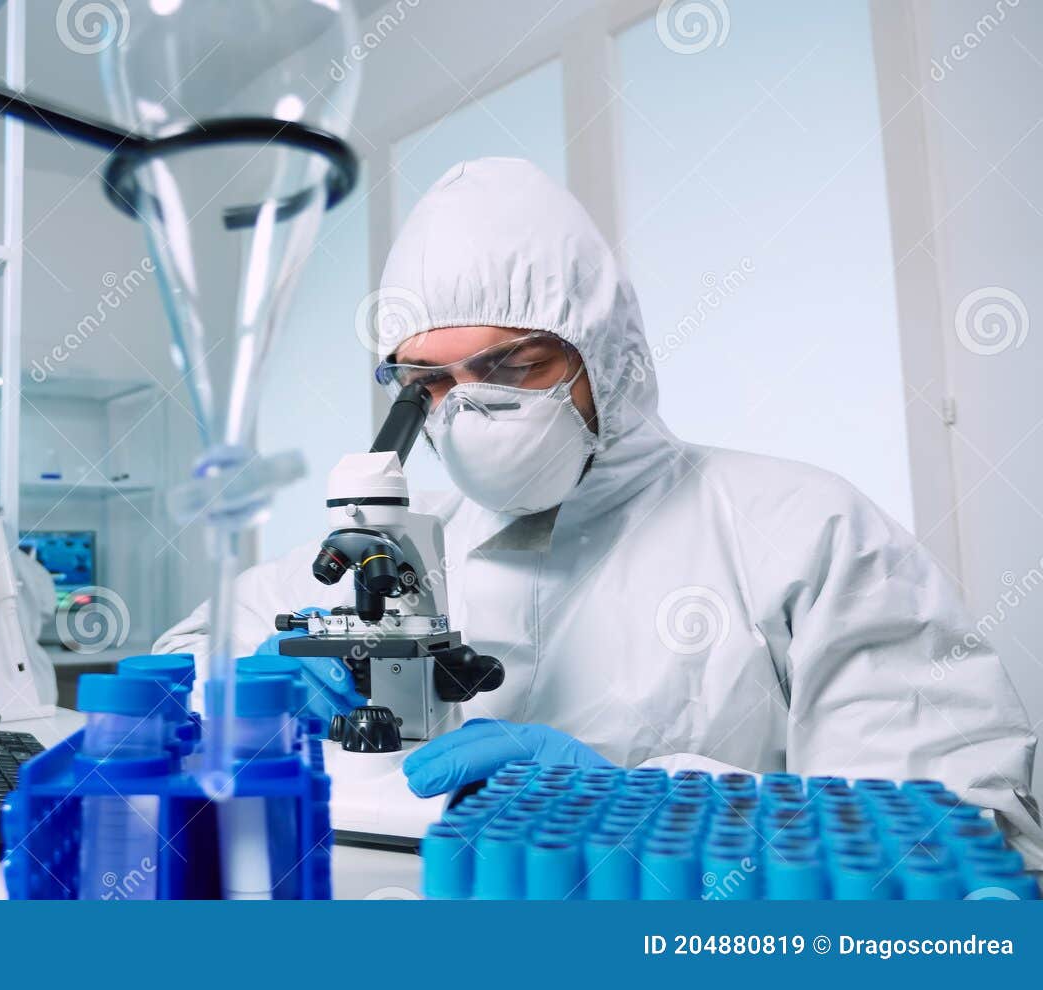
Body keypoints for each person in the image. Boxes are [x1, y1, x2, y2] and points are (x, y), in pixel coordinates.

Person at [154, 157, 1042, 866]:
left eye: (511, 367)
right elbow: (163, 675)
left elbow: (965, 828)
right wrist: (243, 693)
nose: (467, 411)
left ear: (604, 354)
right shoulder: (406, 545)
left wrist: (650, 805)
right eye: (431, 384)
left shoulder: (802, 530)